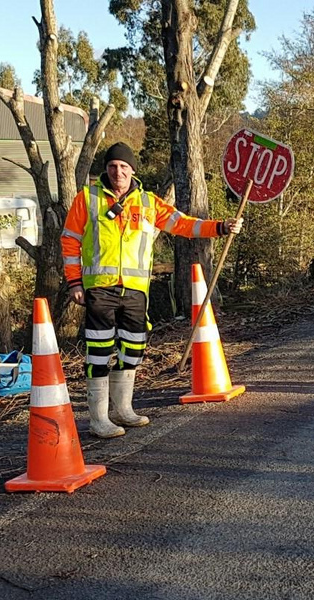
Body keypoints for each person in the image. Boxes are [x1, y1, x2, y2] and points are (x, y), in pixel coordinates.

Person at [61, 142, 243, 438]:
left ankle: (122, 410)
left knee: (133, 350)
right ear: (105, 170)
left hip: (135, 290)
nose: (117, 172)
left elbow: (182, 224)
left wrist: (220, 227)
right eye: (112, 166)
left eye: (123, 167)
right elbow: (70, 241)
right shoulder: (87, 199)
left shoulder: (147, 202)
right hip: (99, 289)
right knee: (99, 353)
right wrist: (74, 283)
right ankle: (98, 419)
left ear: (133, 170)